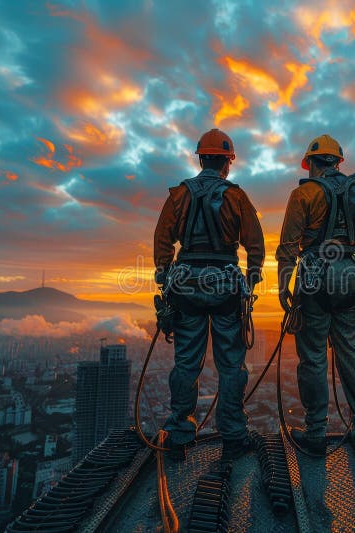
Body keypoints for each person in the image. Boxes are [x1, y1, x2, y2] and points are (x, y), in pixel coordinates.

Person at [153, 128, 264, 461]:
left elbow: (163, 240)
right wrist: (251, 279)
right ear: (227, 163)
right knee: (231, 365)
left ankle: (179, 434)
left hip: (186, 285)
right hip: (225, 286)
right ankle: (233, 435)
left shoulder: (179, 195)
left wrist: (165, 277)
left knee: (186, 362)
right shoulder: (236, 196)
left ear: (201, 159)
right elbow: (255, 244)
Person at [276, 134, 355, 457]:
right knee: (352, 353)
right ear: (338, 163)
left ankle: (316, 432)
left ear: (311, 164)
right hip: (351, 277)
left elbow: (288, 247)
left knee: (313, 357)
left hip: (314, 279)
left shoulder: (303, 194)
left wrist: (284, 286)